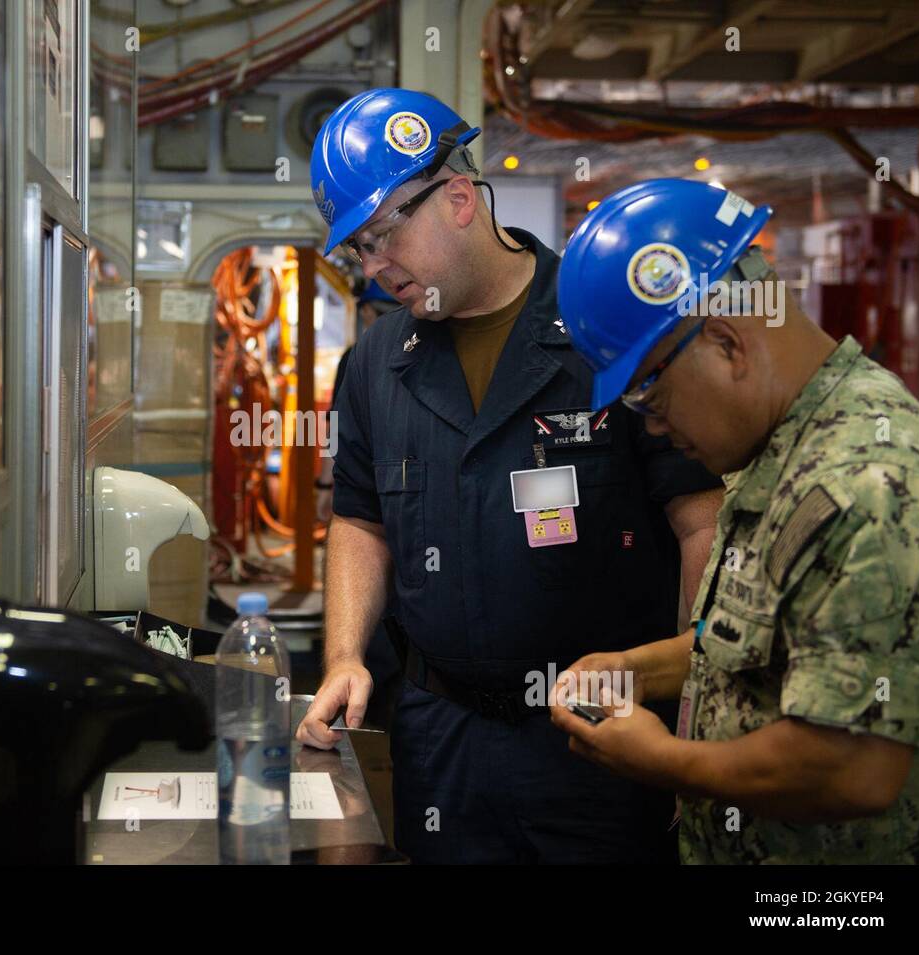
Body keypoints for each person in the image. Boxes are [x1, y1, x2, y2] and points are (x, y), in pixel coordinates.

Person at [297, 89, 725, 863]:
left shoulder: (606, 326)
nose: (372, 267)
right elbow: (359, 520)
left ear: (458, 199)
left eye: (380, 238)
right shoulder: (374, 366)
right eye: (356, 250)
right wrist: (343, 659)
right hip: (442, 742)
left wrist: (694, 706)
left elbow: (700, 521)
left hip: (597, 739)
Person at [549, 177, 919, 864]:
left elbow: (854, 765)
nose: (657, 430)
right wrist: (634, 669)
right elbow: (764, 643)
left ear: (726, 341)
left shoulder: (867, 480)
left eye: (650, 397)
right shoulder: (781, 448)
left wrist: (662, 758)